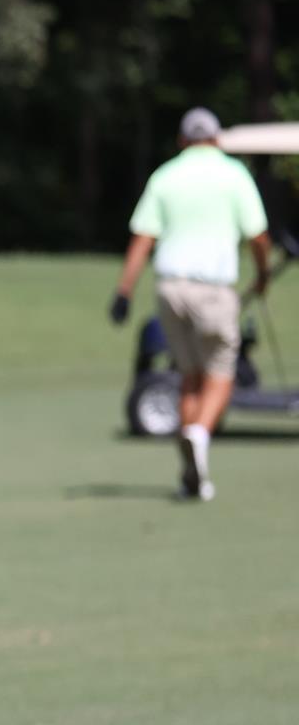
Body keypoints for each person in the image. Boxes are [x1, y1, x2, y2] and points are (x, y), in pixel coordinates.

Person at [110, 106, 271, 502]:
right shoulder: (234, 175)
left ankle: (189, 475)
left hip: (170, 290)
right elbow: (258, 236)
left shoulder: (165, 176)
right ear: (216, 138)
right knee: (220, 371)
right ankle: (198, 435)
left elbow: (143, 239)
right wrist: (263, 275)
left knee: (189, 375)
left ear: (182, 140)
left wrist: (124, 291)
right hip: (213, 289)